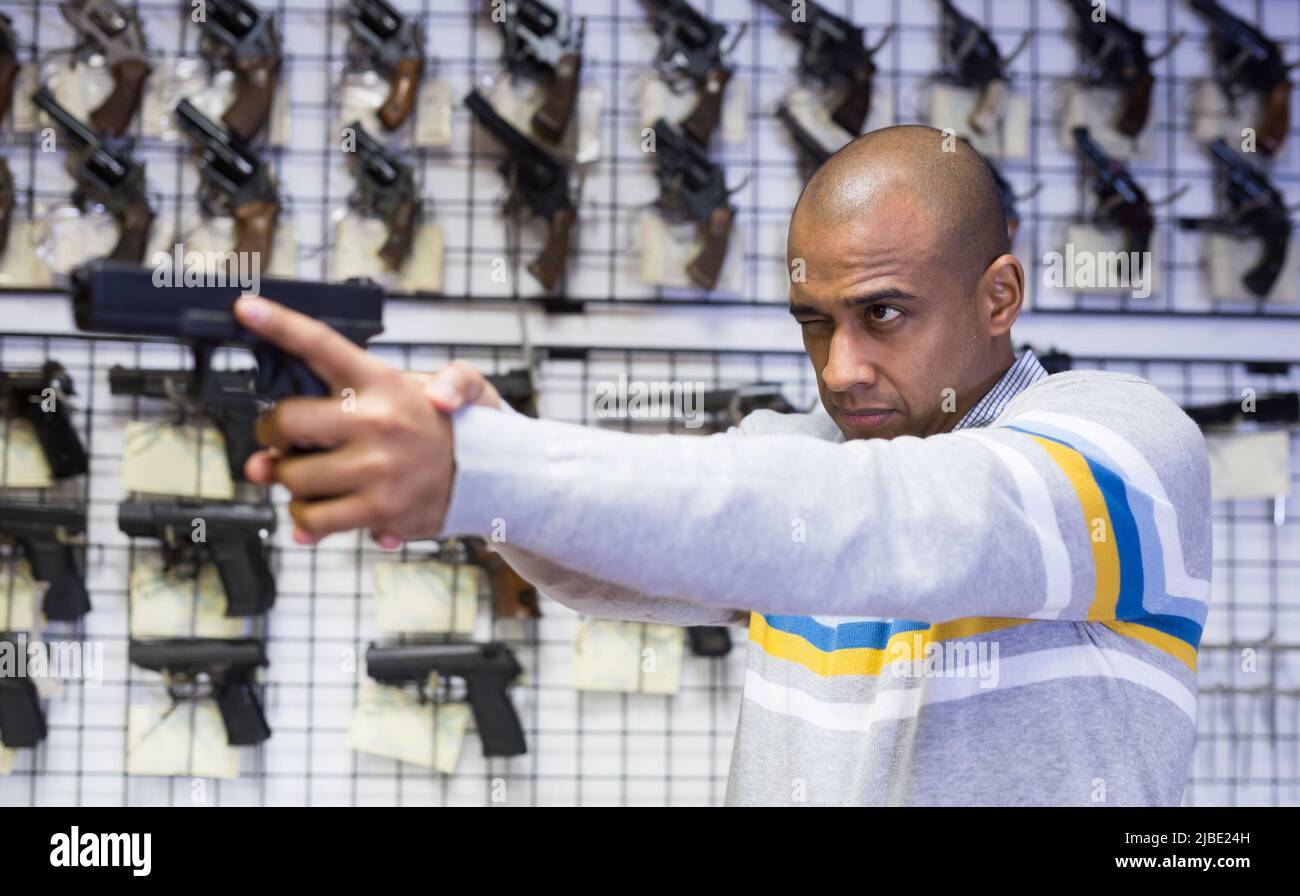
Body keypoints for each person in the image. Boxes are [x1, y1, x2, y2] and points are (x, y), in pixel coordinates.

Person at [234, 126, 1211, 806]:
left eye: (881, 314)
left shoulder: (1126, 447)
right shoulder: (798, 455)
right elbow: (631, 558)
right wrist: (471, 451)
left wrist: (483, 463)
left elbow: (895, 522)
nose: (839, 368)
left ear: (998, 295)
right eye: (812, 323)